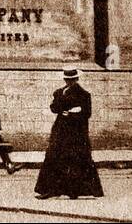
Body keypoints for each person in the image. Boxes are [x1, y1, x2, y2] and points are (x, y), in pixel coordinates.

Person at [35, 68, 103, 199]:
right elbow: (54, 108)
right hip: (60, 130)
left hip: (76, 132)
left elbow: (87, 113)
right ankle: (50, 189)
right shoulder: (59, 92)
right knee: (53, 156)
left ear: (76, 79)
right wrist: (65, 107)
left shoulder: (84, 94)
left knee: (77, 159)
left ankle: (76, 191)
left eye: (72, 80)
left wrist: (71, 114)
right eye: (67, 80)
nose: (69, 82)